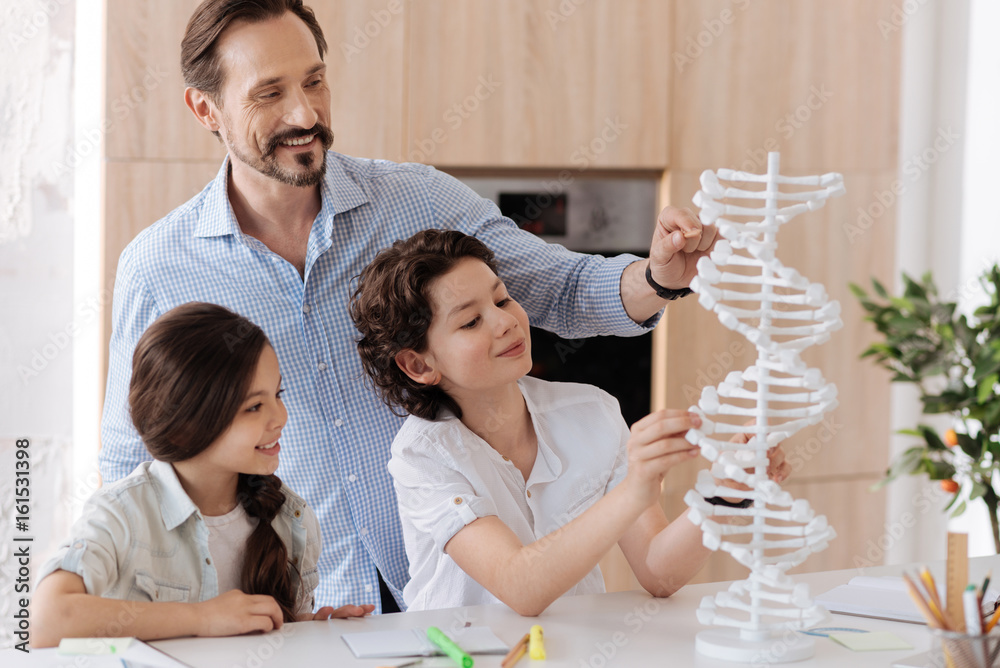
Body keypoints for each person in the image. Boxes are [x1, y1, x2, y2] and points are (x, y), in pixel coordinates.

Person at [99, 0, 716, 613]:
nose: (305, 112)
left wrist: (659, 277)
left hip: (464, 593)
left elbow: (560, 287)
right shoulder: (159, 267)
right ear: (205, 108)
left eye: (315, 80)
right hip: (302, 611)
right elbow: (134, 464)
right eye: (269, 94)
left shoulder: (417, 199)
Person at [349, 230, 790, 613]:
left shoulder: (590, 412)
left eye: (502, 299)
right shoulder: (422, 456)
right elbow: (519, 586)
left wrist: (724, 494)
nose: (506, 322)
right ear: (419, 364)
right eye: (470, 321)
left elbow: (660, 573)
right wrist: (635, 488)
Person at [32, 304, 373, 647]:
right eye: (254, 406)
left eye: (278, 394)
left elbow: (269, 641)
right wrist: (202, 618)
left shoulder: (291, 518)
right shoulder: (122, 515)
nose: (280, 417)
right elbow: (47, 621)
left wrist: (314, 631)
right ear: (185, 426)